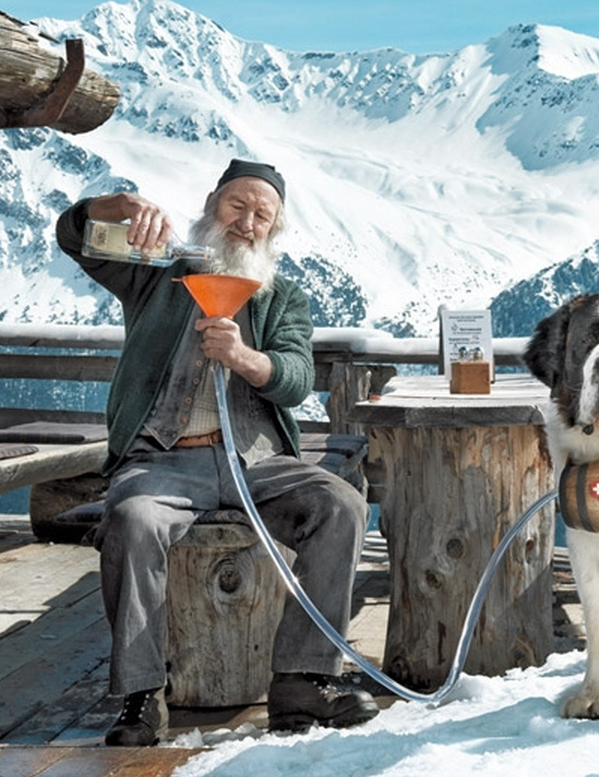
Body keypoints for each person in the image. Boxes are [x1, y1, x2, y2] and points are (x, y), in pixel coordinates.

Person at [55, 159, 380, 746]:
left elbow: (297, 378)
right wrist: (122, 205)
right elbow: (72, 236)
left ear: (274, 230)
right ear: (211, 205)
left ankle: (303, 681)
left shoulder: (282, 296)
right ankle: (140, 696)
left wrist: (246, 360)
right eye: (238, 206)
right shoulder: (158, 273)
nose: (247, 222)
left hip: (255, 462)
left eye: (263, 215)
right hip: (161, 459)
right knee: (131, 519)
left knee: (343, 505)